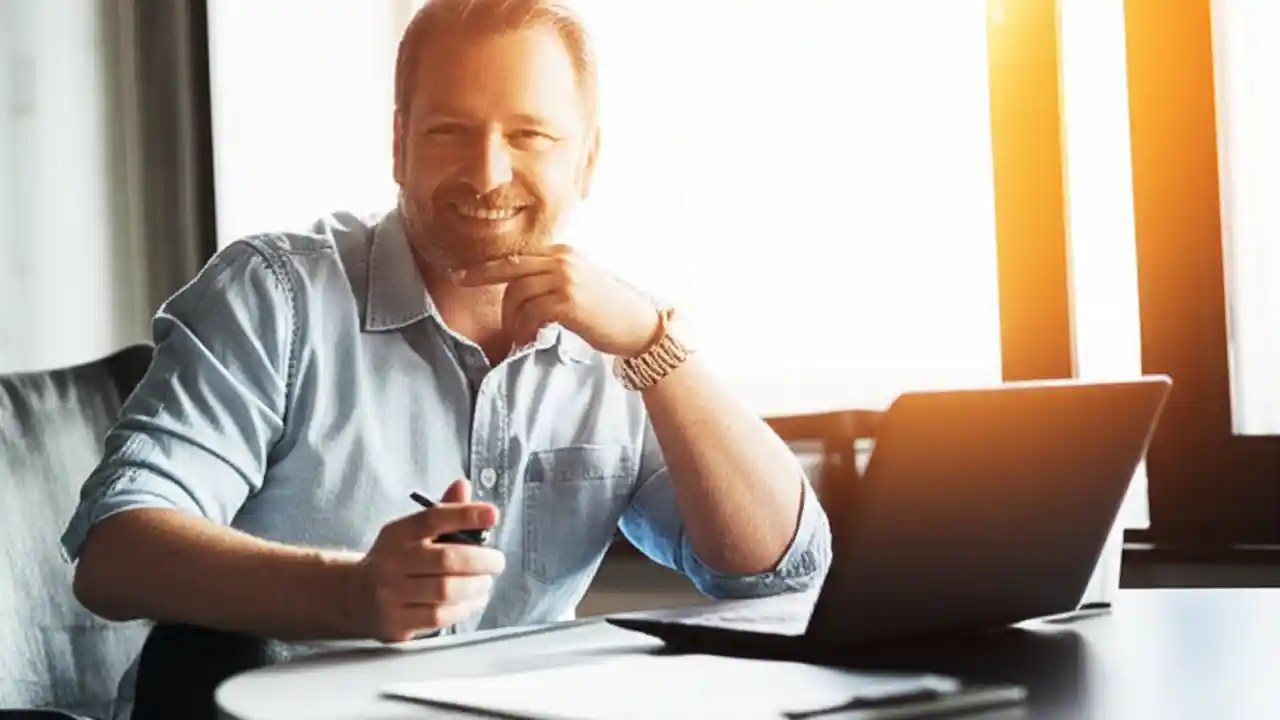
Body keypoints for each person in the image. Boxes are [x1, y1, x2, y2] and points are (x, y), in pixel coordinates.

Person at [63, 0, 831, 713]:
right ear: (399, 145)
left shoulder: (622, 338)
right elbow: (115, 551)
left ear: (588, 159)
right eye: (449, 131)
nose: (487, 174)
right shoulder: (274, 296)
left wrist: (656, 346)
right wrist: (350, 594)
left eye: (529, 136)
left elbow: (777, 570)